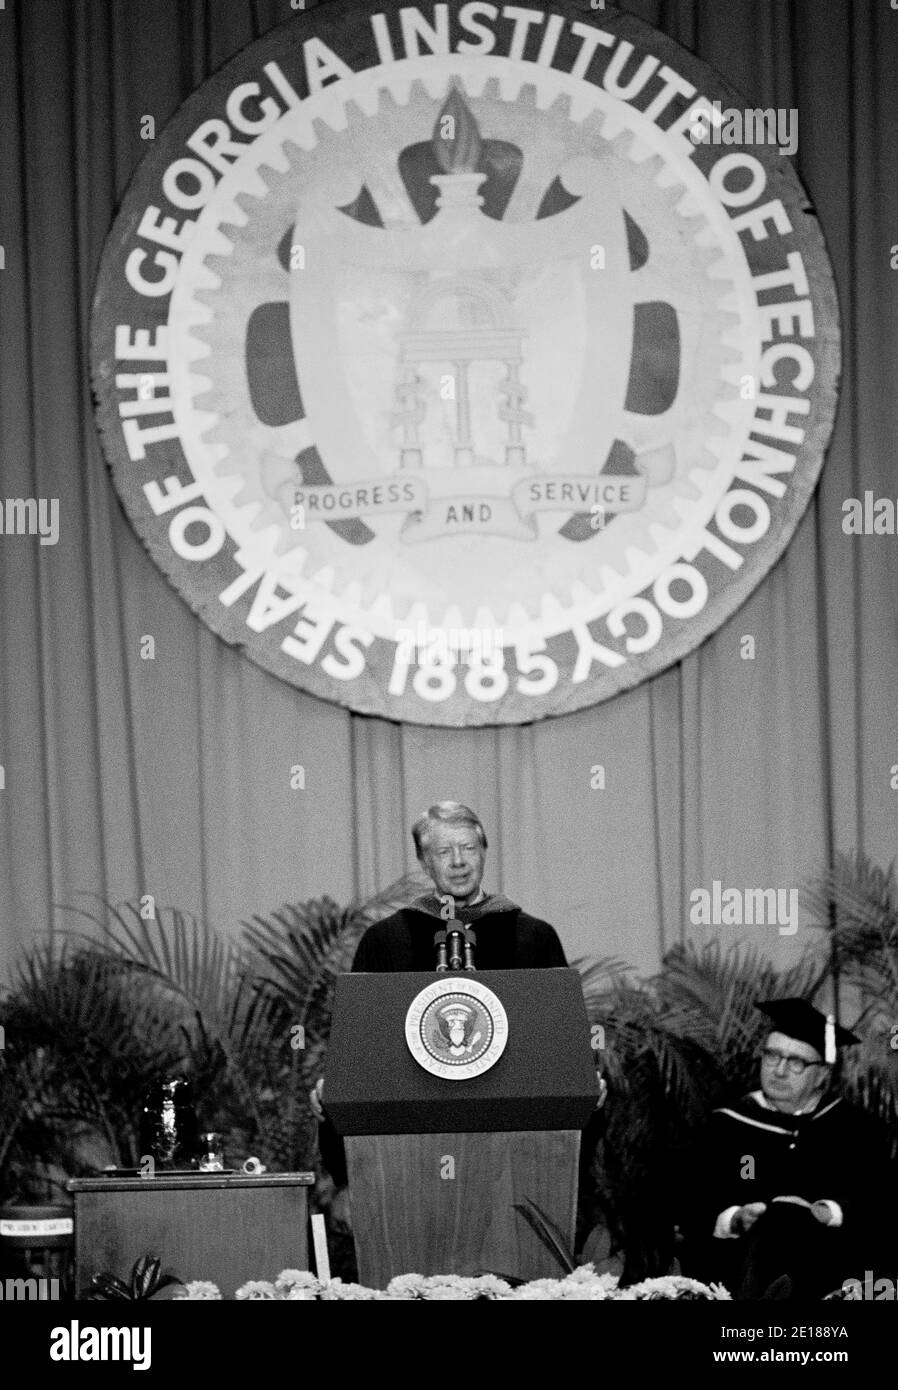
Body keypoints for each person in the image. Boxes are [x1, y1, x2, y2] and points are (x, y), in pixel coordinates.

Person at [311, 801, 604, 1231]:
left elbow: (563, 1045)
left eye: (468, 847)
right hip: (409, 1155)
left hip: (515, 1152)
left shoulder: (533, 938)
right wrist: (334, 1090)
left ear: (485, 851)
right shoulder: (385, 941)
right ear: (424, 862)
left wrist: (585, 1081)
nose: (459, 861)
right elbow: (360, 1050)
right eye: (444, 851)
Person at [678, 998, 895, 1299]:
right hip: (740, 1273)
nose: (779, 1071)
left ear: (822, 1075)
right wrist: (734, 1217)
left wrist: (827, 1212)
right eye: (772, 1056)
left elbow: (880, 1202)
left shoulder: (856, 1128)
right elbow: (692, 1203)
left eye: (796, 1062)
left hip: (833, 1273)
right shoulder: (724, 1125)